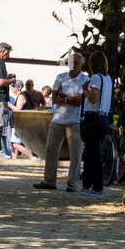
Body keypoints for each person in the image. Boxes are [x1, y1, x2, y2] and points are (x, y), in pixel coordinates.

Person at [34, 50, 88, 192]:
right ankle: (49, 181)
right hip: (58, 118)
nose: (73, 65)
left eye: (76, 63)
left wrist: (64, 97)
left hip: (75, 120)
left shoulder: (85, 80)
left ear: (81, 64)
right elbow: (55, 98)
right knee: (50, 149)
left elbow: (79, 101)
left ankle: (72, 184)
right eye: (71, 62)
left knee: (75, 154)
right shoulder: (61, 77)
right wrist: (69, 98)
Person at [79, 49, 114, 196]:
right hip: (103, 117)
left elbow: (93, 98)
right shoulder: (108, 79)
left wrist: (84, 90)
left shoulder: (95, 79)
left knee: (90, 153)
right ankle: (94, 186)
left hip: (92, 117)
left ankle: (92, 186)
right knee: (95, 152)